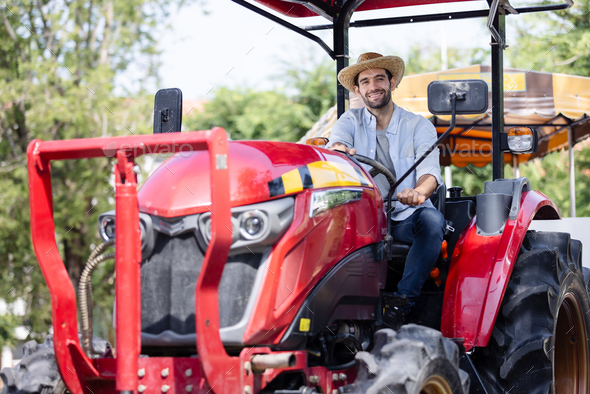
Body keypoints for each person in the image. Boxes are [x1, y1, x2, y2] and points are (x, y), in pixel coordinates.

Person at [327, 52, 445, 330]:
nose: (373, 86)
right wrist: (339, 151)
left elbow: (430, 173)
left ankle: (401, 302)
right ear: (357, 90)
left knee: (431, 221)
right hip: (362, 218)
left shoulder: (418, 125)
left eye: (379, 78)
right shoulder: (349, 121)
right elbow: (337, 146)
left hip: (404, 216)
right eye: (365, 81)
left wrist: (418, 192)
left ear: (392, 83)